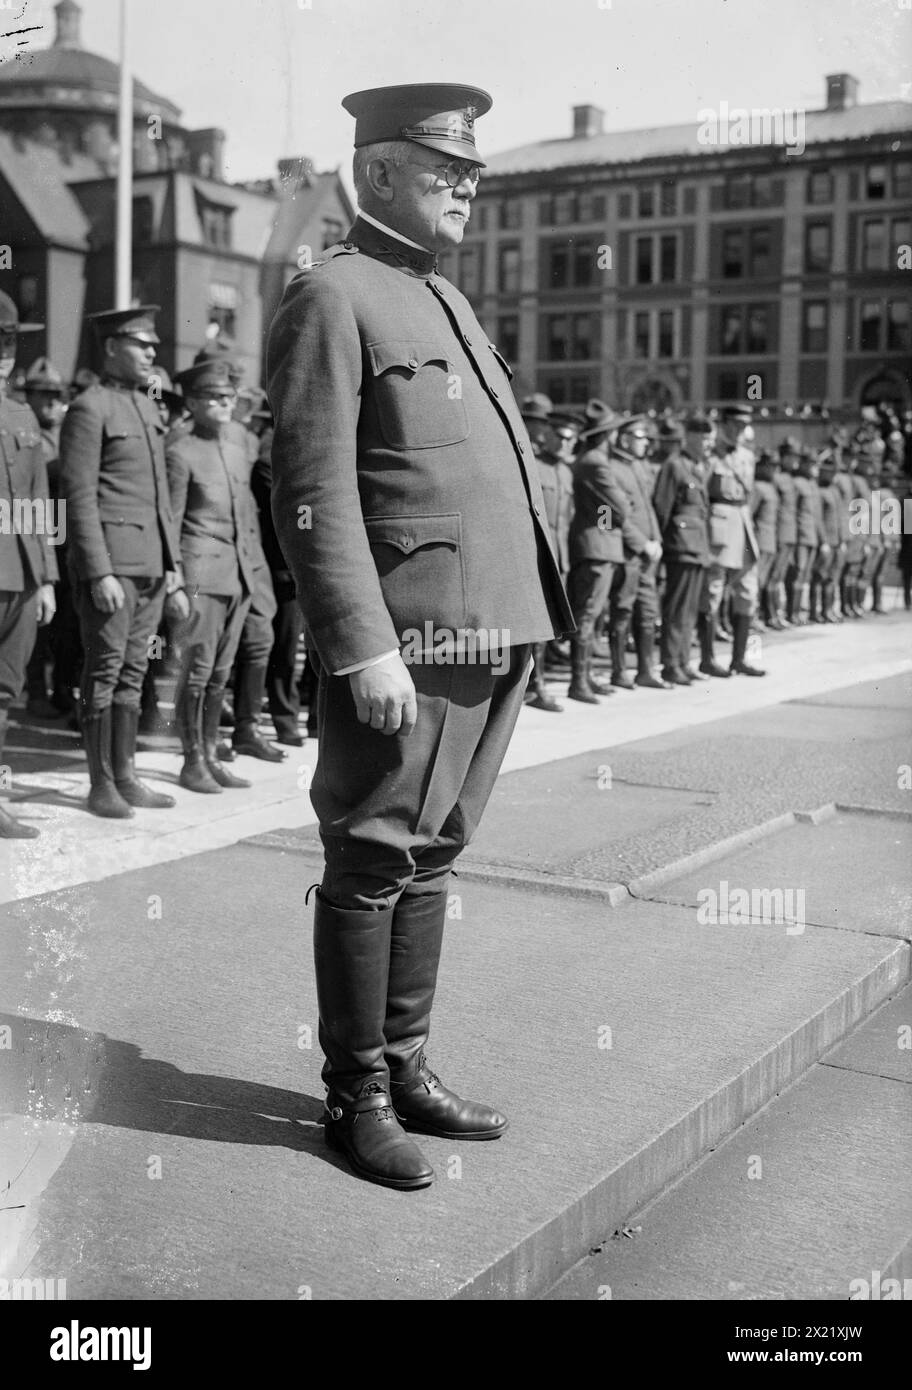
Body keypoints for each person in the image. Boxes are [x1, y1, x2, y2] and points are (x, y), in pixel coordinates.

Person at [267, 82, 574, 1190]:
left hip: (492, 629)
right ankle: (353, 1096)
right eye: (449, 172)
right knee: (372, 852)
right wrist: (360, 643)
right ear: (382, 172)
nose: (467, 192)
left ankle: (404, 1064)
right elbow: (310, 492)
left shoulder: (445, 302)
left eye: (474, 176)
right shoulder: (334, 298)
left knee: (433, 848)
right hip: (409, 640)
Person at [58, 305, 180, 818]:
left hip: (151, 567)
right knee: (104, 671)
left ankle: (127, 777)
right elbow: (79, 495)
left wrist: (172, 565)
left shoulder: (147, 409)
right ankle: (101, 783)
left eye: (153, 344)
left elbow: (161, 499)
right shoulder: (90, 408)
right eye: (140, 344)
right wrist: (98, 569)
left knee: (134, 674)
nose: (152, 351)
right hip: (114, 570)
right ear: (111, 347)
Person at [166, 358, 271, 793]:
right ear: (191, 402)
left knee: (221, 671)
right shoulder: (179, 451)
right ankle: (192, 760)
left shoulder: (242, 443)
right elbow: (170, 520)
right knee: (197, 670)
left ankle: (212, 753)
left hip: (241, 573)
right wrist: (173, 578)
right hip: (200, 577)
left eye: (229, 395)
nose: (225, 402)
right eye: (214, 396)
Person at [0, 293, 58, 838]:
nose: (3, 352)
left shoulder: (21, 416)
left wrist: (46, 579)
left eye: (10, 340)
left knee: (5, 690)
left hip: (19, 576)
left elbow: (40, 504)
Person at [565, 399, 626, 703]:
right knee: (588, 615)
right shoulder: (595, 462)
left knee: (591, 614)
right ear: (607, 434)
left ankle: (585, 676)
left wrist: (609, 515)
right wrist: (613, 516)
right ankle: (579, 681)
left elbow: (607, 507)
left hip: (597, 544)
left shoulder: (590, 461)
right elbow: (619, 506)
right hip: (596, 546)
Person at [698, 403, 765, 677]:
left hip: (743, 524)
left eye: (743, 425)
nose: (740, 430)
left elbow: (750, 494)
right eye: (735, 425)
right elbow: (700, 494)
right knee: (712, 591)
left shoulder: (748, 457)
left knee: (748, 592)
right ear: (723, 424)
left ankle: (739, 658)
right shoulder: (711, 455)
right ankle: (707, 658)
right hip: (719, 526)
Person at [22, 357, 72, 719]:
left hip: (66, 534)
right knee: (38, 621)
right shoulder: (23, 433)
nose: (51, 402)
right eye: (43, 395)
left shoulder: (67, 432)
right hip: (33, 532)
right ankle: (36, 690)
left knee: (67, 620)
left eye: (56, 395)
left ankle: (62, 690)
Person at [605, 414, 669, 690]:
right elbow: (620, 516)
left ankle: (646, 669)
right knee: (622, 611)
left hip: (648, 553)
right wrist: (643, 543)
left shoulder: (638, 468)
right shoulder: (613, 469)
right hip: (629, 552)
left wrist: (656, 539)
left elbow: (648, 509)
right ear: (625, 439)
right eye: (641, 438)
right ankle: (619, 671)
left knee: (647, 612)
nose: (646, 443)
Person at [652, 412, 711, 685]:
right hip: (680, 545)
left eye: (711, 439)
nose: (708, 444)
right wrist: (664, 542)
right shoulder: (675, 466)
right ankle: (670, 663)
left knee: (689, 610)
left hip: (697, 547)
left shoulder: (698, 467)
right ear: (691, 438)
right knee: (676, 610)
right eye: (704, 439)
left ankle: (684, 661)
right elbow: (662, 508)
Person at [521, 393, 569, 712]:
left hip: (554, 551)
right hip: (529, 551)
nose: (541, 429)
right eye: (536, 422)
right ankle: (533, 685)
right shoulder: (523, 458)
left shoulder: (555, 466)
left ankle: (535, 682)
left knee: (545, 624)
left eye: (544, 424)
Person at [750, 449, 779, 630]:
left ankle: (759, 614)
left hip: (769, 540)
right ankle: (751, 616)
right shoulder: (758, 487)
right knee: (755, 581)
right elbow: (750, 513)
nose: (773, 470)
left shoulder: (770, 487)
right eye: (770, 466)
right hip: (759, 539)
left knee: (763, 580)